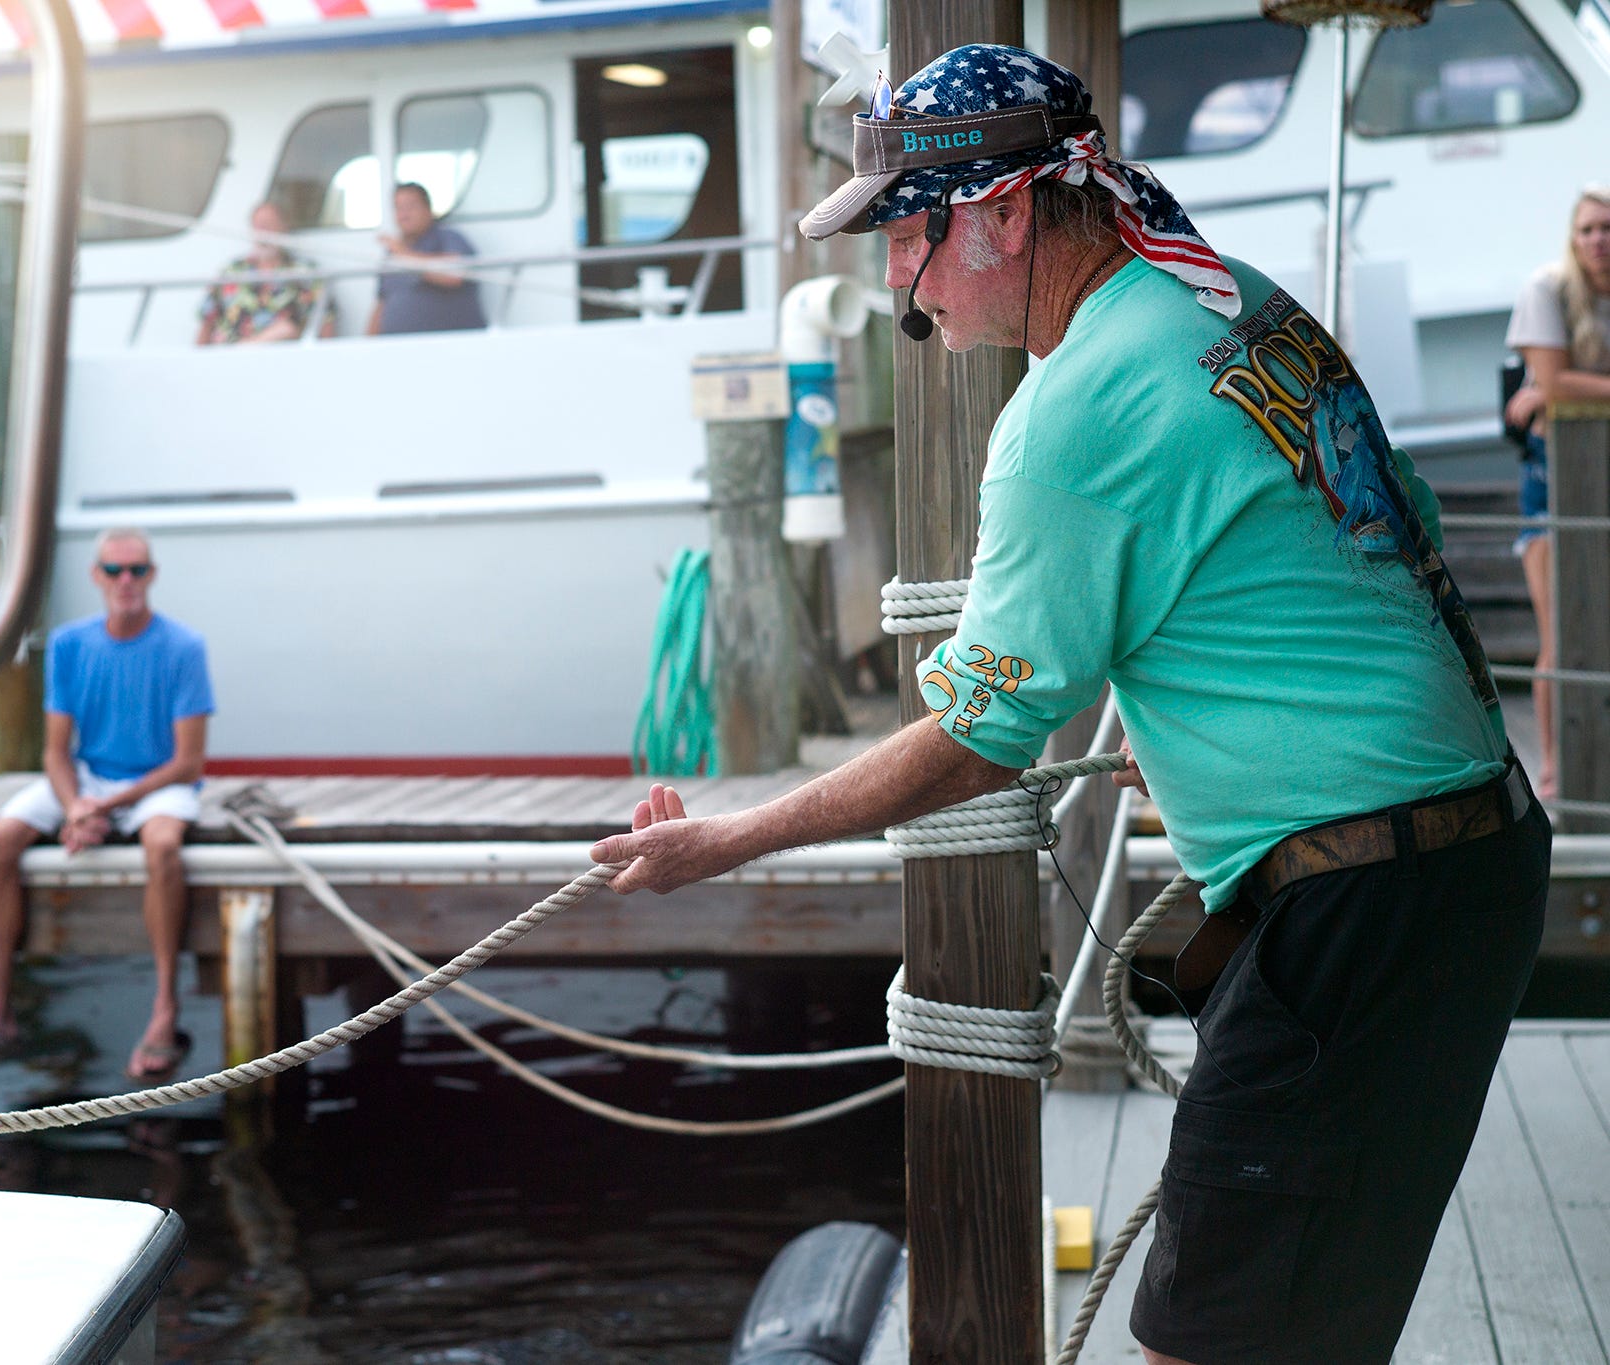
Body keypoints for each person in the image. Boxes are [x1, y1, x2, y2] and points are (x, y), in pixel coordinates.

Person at [588, 46, 1549, 1365]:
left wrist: (728, 838)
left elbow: (979, 744)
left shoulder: (1068, 415)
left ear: (1004, 212)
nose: (891, 279)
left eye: (905, 235)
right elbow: (1389, 540)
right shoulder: (1228, 299)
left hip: (1362, 910)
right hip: (1459, 860)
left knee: (1206, 1344)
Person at [0, 528, 215, 1081]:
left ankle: (165, 1006)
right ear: (96, 576)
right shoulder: (71, 645)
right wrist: (77, 806)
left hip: (155, 783)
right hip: (87, 777)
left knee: (163, 846)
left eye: (137, 570)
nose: (127, 581)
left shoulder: (184, 647)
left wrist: (106, 805)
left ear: (153, 575)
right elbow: (55, 752)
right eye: (115, 570)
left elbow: (188, 764)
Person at [1503, 185, 1610, 800]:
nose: (1598, 240)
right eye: (1588, 229)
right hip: (1555, 473)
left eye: (1608, 228)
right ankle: (1553, 771)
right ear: (1572, 238)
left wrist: (1566, 386)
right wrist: (1555, 387)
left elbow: (1562, 384)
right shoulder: (1548, 288)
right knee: (1561, 630)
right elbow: (1552, 379)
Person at [197, 201, 337, 345]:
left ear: (283, 227)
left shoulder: (306, 272)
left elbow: (326, 321)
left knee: (286, 329)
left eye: (269, 224)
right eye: (258, 225)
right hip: (229, 357)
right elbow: (208, 321)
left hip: (282, 358)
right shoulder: (232, 271)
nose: (263, 231)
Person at [367, 182, 486, 335]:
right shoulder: (392, 254)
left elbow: (454, 275)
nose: (403, 215)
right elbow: (382, 304)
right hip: (400, 350)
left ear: (428, 209)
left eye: (410, 206)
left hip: (451, 348)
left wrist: (402, 254)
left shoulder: (449, 238)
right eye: (398, 208)